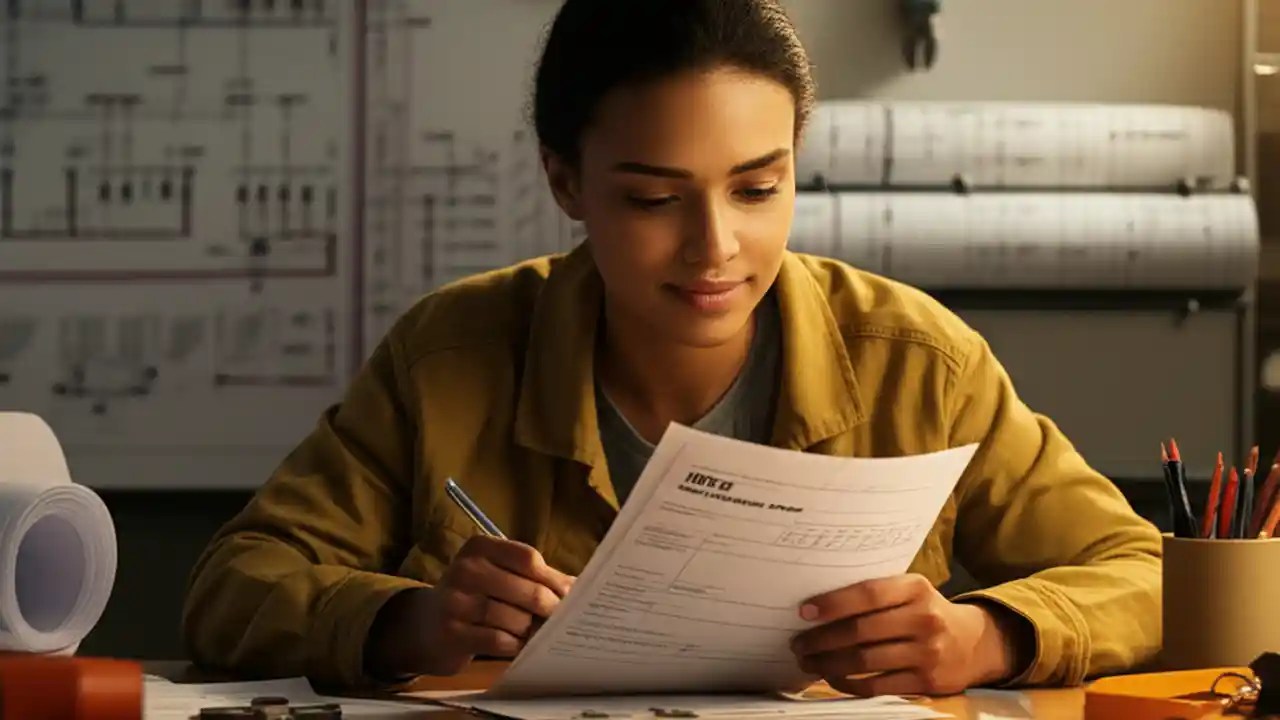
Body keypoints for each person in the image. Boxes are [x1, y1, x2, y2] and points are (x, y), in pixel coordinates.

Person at [181, 0, 1162, 697]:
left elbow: (1141, 570)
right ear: (565, 182)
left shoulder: (915, 359)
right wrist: (410, 621)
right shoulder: (453, 353)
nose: (713, 247)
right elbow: (237, 584)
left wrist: (981, 637)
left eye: (756, 187)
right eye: (652, 199)